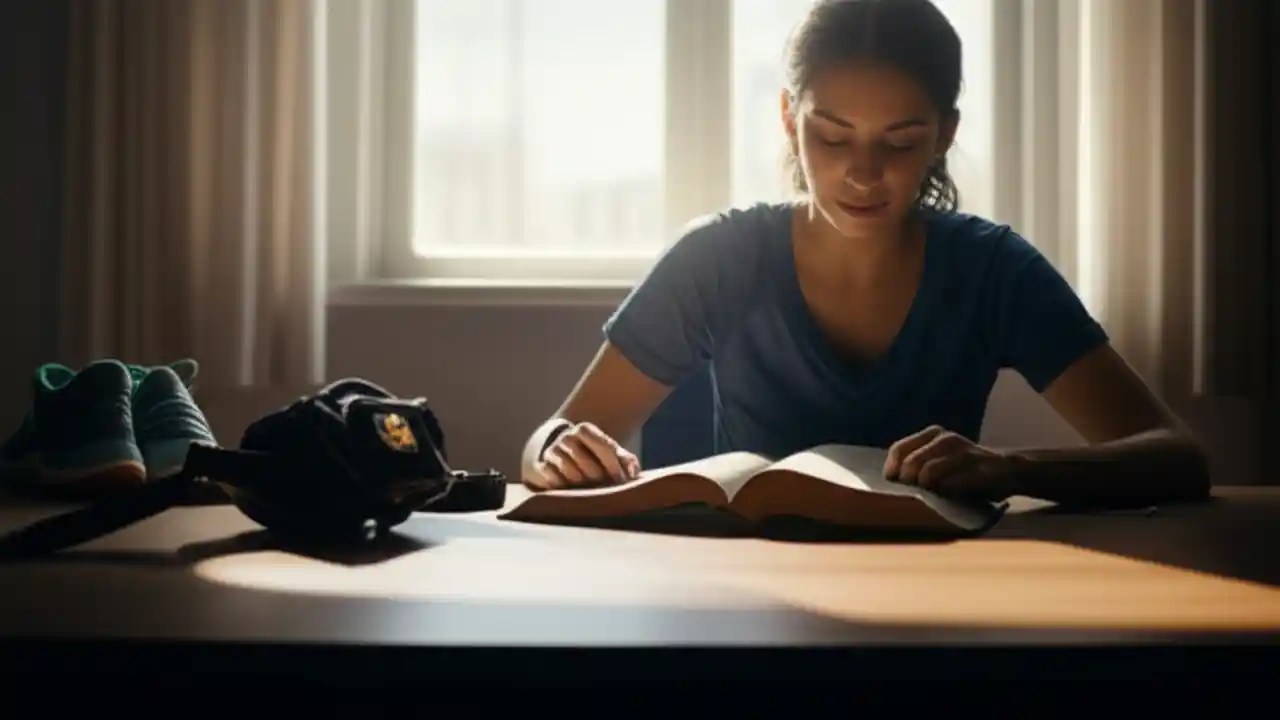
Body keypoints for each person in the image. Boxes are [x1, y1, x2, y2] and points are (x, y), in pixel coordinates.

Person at [519, 0, 1210, 508]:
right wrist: (558, 453)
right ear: (790, 120)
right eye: (832, 136)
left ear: (944, 134)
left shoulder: (993, 270)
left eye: (901, 141)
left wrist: (1013, 469)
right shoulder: (717, 257)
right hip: (745, 602)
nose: (863, 172)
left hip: (933, 603)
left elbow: (1177, 457)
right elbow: (548, 436)